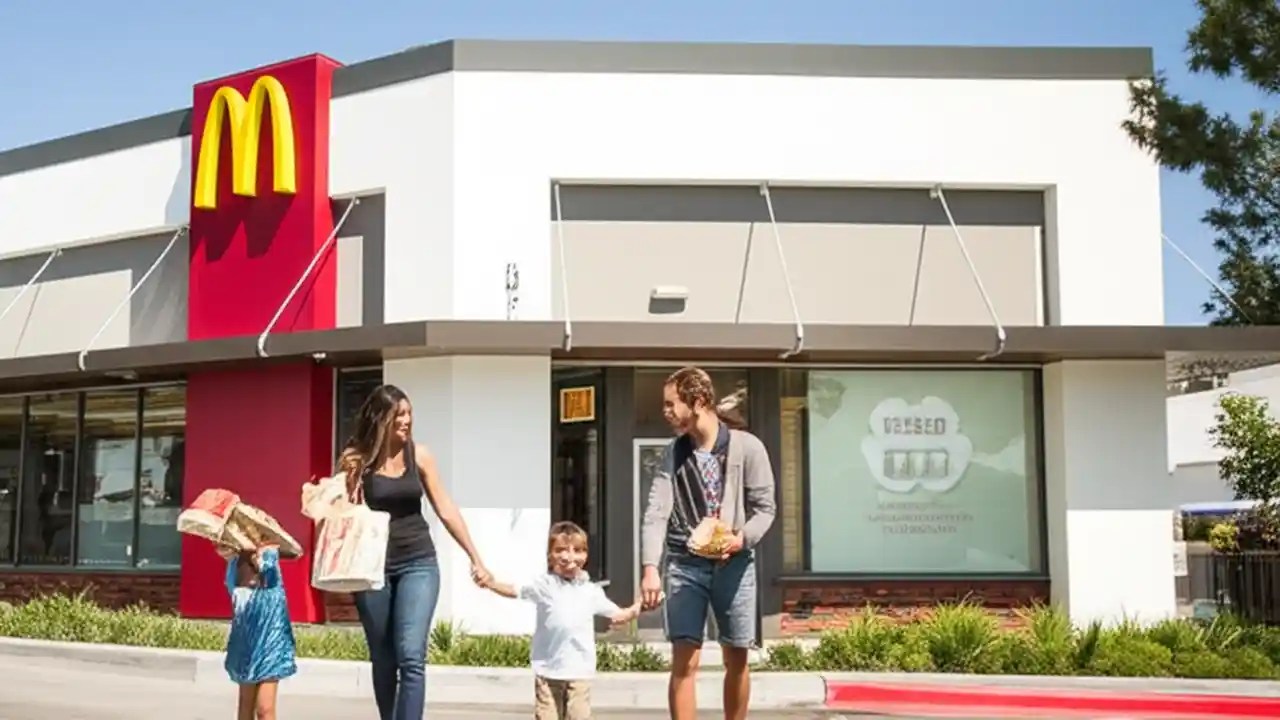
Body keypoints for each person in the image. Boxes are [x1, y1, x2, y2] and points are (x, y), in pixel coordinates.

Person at [339, 384, 492, 720]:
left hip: (418, 562)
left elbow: (446, 508)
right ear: (380, 420)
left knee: (411, 655)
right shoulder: (357, 460)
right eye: (399, 415)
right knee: (383, 657)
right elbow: (343, 517)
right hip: (371, 567)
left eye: (409, 413)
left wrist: (475, 557)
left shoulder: (419, 455)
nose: (407, 421)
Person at [639, 366, 777, 720]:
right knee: (685, 660)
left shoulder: (748, 448)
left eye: (672, 404)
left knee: (737, 656)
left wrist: (740, 538)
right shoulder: (674, 453)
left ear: (698, 402)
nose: (666, 411)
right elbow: (656, 512)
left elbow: (765, 509)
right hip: (685, 566)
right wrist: (651, 569)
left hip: (735, 564)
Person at [479, 521, 641, 720]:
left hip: (580, 671)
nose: (569, 556)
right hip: (548, 671)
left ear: (586, 555)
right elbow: (514, 590)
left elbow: (619, 614)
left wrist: (640, 606)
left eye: (578, 550)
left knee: (579, 715)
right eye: (561, 550)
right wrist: (490, 583)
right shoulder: (544, 585)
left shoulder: (590, 591)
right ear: (550, 555)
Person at [223, 543, 295, 720]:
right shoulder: (237, 559)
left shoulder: (269, 555)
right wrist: (231, 555)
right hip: (246, 639)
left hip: (272, 639)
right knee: (245, 706)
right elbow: (232, 588)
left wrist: (264, 557)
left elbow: (274, 578)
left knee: (265, 708)